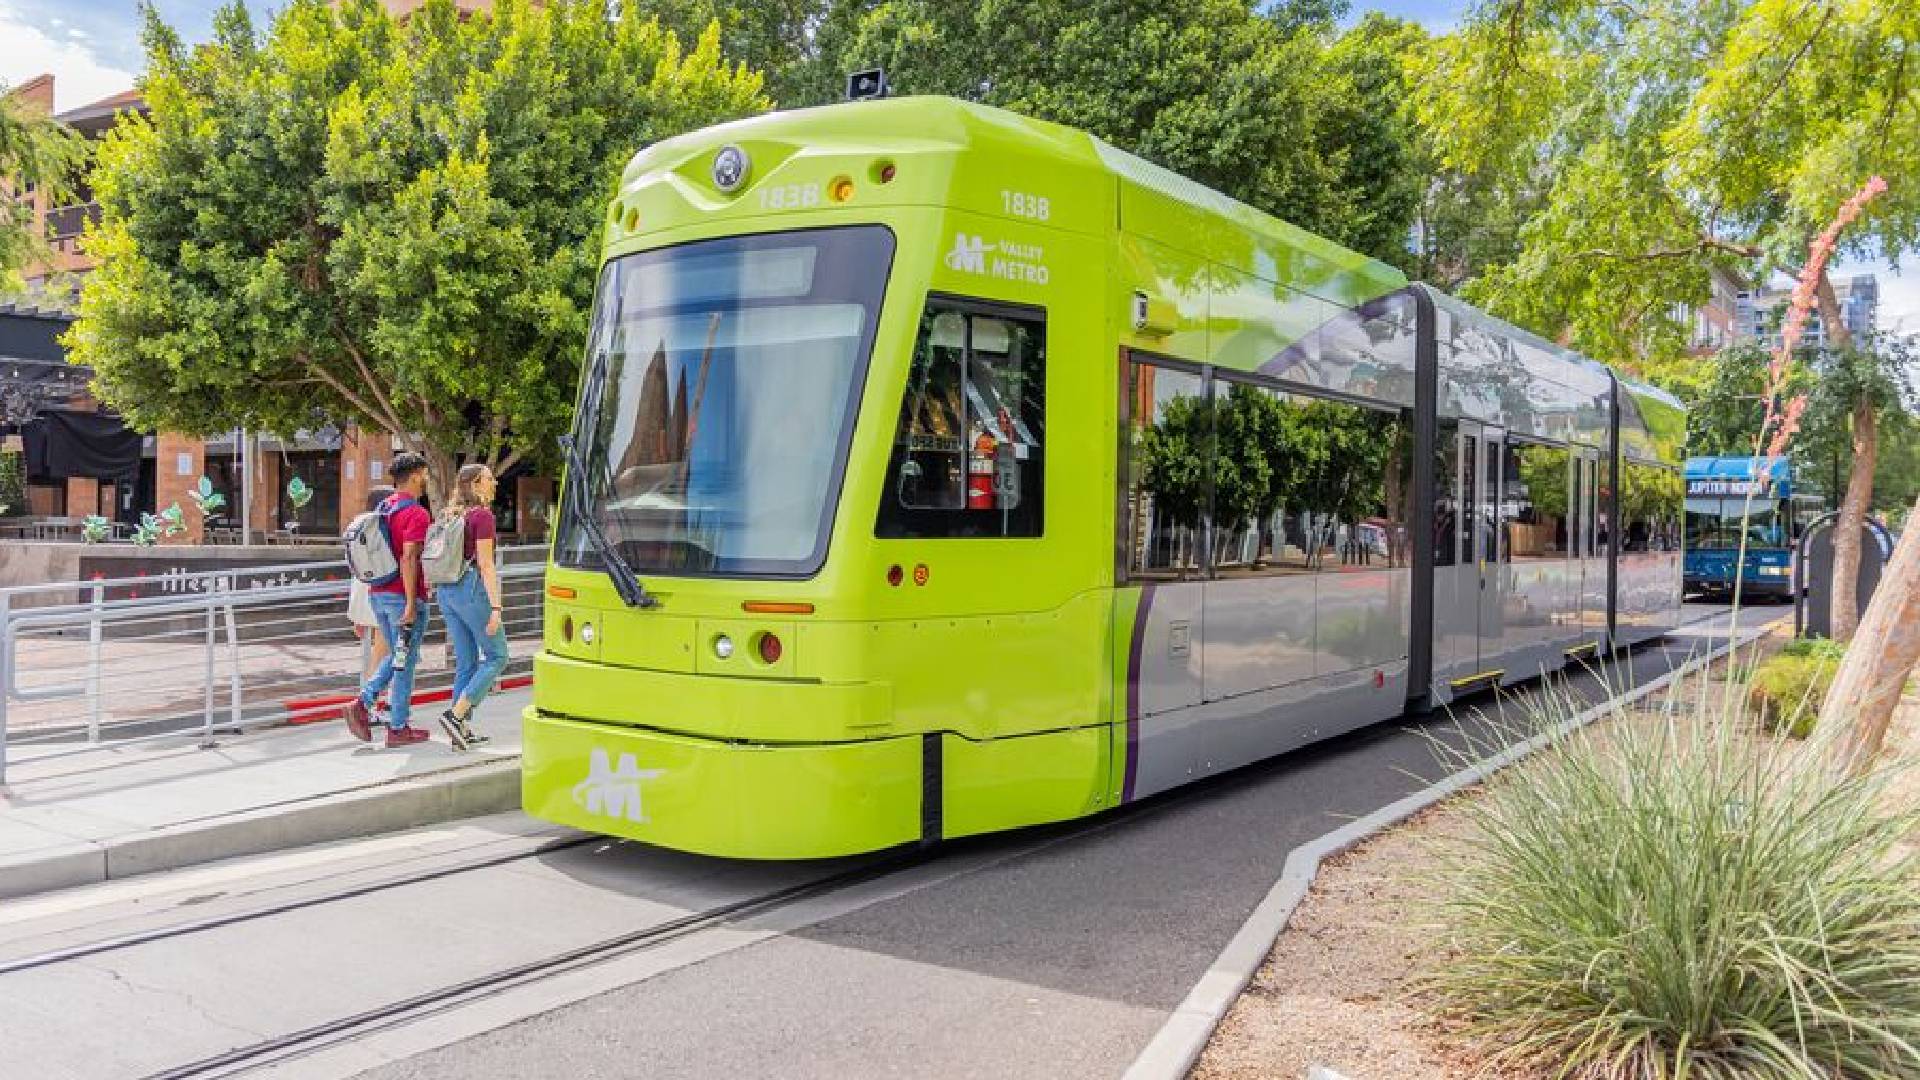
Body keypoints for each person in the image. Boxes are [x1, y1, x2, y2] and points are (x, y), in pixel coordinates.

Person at [343, 454, 433, 748]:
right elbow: (409, 557)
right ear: (417, 475)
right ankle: (388, 720)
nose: (427, 478)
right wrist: (410, 602)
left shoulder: (385, 506)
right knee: (402, 660)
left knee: (399, 656)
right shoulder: (417, 514)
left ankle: (379, 712)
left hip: (378, 592)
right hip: (400, 596)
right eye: (426, 473)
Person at [434, 464, 508, 750]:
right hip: (470, 588)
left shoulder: (451, 514)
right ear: (476, 484)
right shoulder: (483, 516)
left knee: (466, 661)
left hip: (446, 591)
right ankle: (455, 715)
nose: (495, 483)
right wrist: (496, 607)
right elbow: (486, 564)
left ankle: (459, 730)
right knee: (497, 656)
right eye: (489, 479)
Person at [347, 485, 396, 682]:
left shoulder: (358, 524)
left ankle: (370, 697)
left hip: (362, 586)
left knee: (378, 651)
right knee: (382, 653)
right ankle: (367, 700)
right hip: (380, 589)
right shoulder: (380, 527)